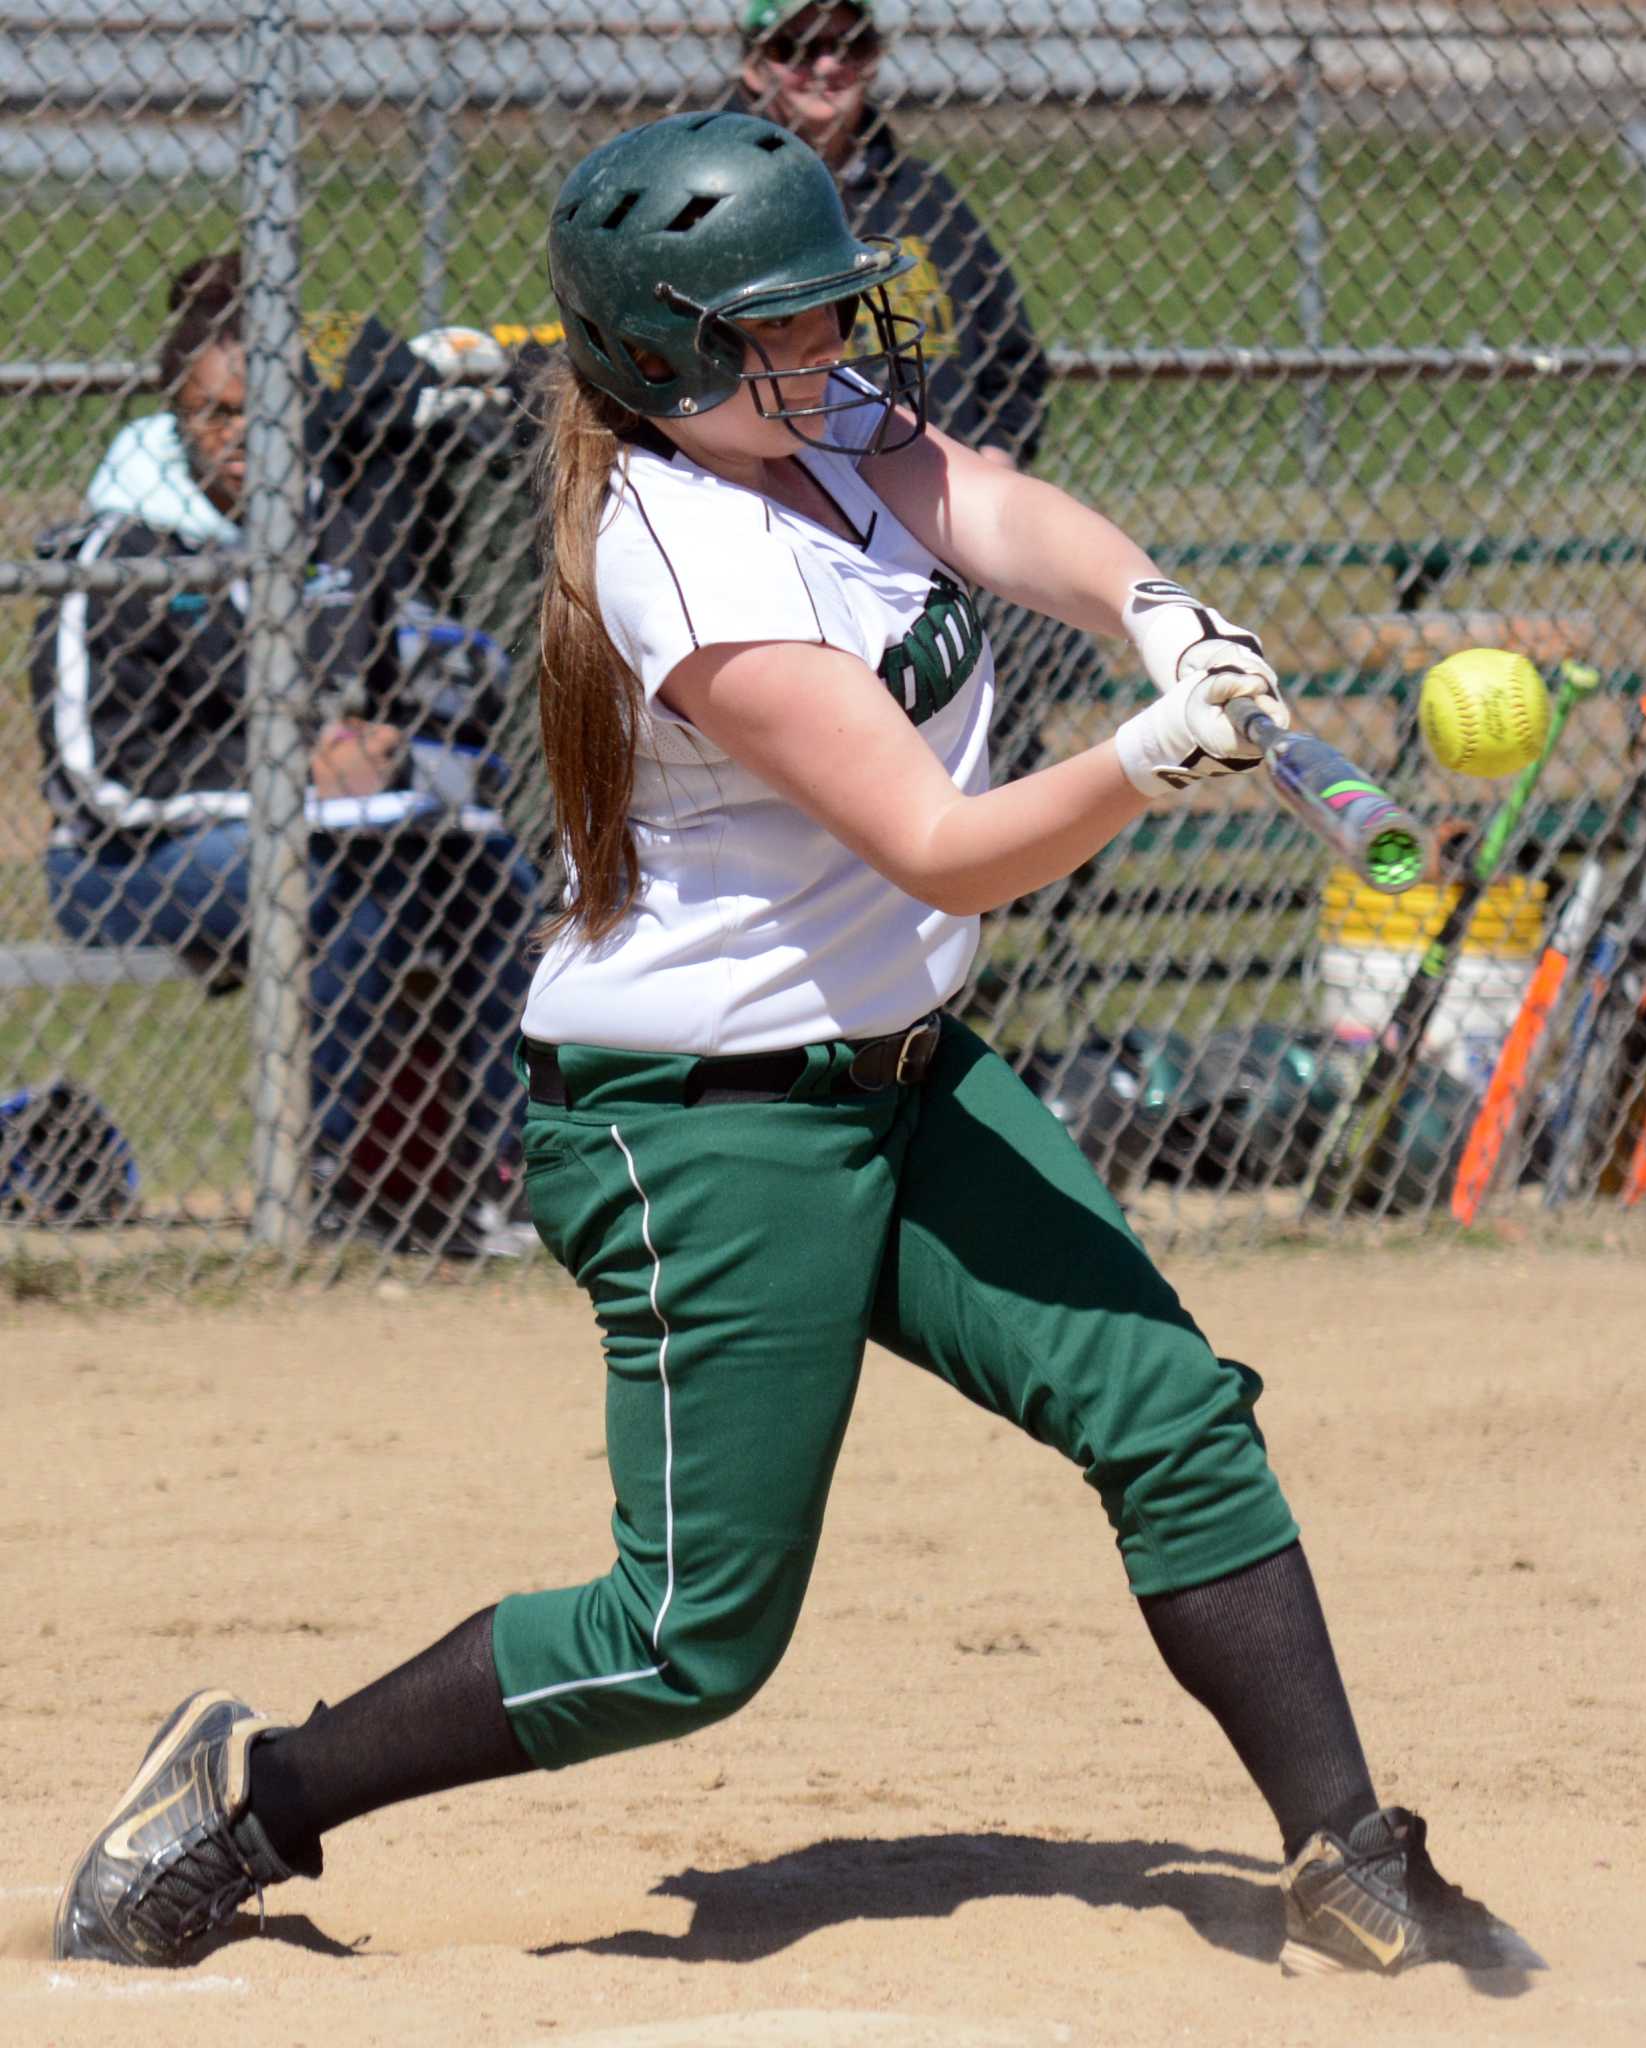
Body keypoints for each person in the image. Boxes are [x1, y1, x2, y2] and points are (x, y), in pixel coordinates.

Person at [50, 114, 1537, 1979]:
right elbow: (934, 836)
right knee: (687, 1635)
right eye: (781, 322)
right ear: (670, 357)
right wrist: (1151, 763)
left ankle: (1348, 1850)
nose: (830, 343)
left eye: (831, 303)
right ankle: (249, 1799)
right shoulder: (678, 551)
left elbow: (981, 499)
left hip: (903, 1074)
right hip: (702, 1128)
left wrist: (1160, 610)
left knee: (1172, 1415)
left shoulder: (815, 423)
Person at [30, 255, 543, 1250]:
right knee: (338, 879)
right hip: (122, 861)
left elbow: (393, 673)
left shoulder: (316, 537)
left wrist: (392, 742)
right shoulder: (117, 553)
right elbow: (99, 779)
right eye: (214, 413)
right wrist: (283, 778)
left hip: (315, 830)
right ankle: (331, 1182)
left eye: (262, 412)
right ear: (177, 420)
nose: (239, 438)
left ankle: (510, 1168)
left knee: (485, 865)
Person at [734, 0, 1100, 779]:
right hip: (790, 524)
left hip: (939, 519)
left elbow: (1011, 353)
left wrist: (993, 459)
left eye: (850, 44)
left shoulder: (922, 200)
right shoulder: (720, 203)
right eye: (798, 47)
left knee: (1015, 670)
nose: (827, 66)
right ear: (753, 65)